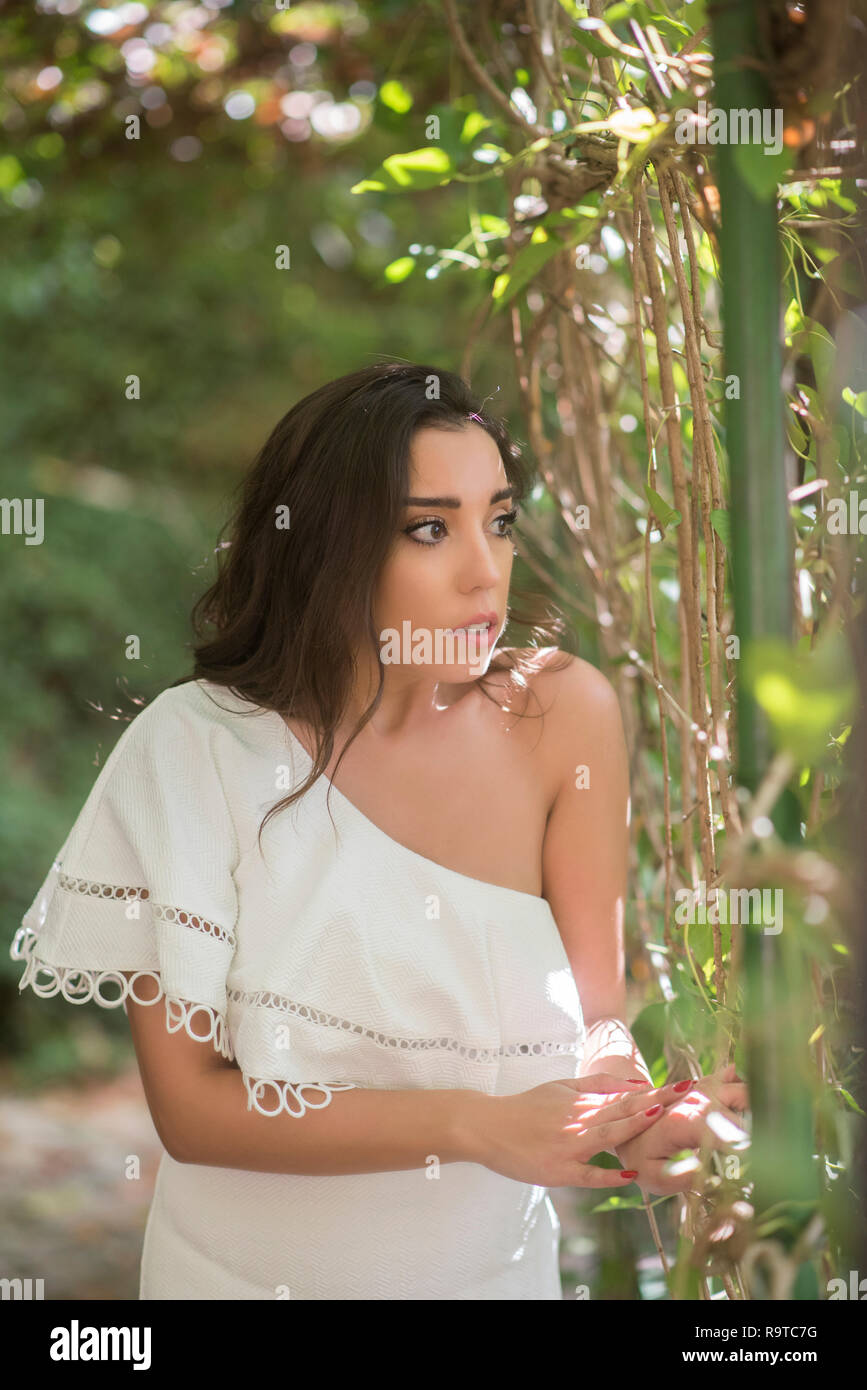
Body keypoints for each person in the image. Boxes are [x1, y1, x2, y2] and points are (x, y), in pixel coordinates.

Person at [10, 361, 748, 1300]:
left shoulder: (564, 717)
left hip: (494, 1279)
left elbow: (594, 1021)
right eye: (429, 528)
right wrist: (472, 1124)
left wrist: (636, 1118)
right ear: (328, 545)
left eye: (501, 520)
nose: (485, 568)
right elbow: (191, 1110)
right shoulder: (194, 748)